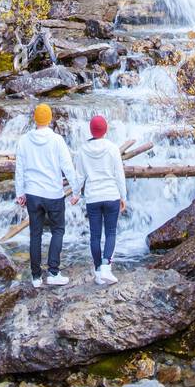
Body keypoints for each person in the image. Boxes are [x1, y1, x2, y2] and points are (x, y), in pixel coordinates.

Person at [14, 103, 80, 287]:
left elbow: (20, 169)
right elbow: (67, 166)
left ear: (35, 119)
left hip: (33, 194)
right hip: (53, 193)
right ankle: (53, 272)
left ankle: (36, 277)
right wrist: (76, 191)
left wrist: (20, 193)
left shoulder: (24, 140)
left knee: (35, 234)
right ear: (49, 119)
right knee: (57, 230)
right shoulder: (57, 140)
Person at [75, 114, 127, 285]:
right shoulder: (112, 148)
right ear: (105, 130)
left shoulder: (82, 150)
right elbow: (119, 175)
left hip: (93, 197)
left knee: (95, 236)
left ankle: (98, 271)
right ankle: (106, 266)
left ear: (91, 130)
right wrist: (123, 196)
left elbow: (80, 176)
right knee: (111, 232)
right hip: (111, 195)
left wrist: (76, 194)